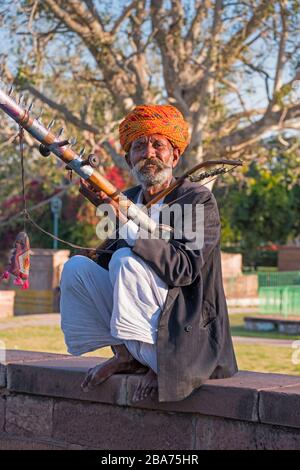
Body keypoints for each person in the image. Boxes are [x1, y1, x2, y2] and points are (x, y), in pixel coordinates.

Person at [60, 104, 238, 403]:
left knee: (125, 261)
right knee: (76, 268)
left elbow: (183, 268)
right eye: (139, 146)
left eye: (159, 145)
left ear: (175, 156)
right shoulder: (127, 198)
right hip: (148, 301)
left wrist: (125, 223)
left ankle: (161, 362)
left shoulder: (196, 198)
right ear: (128, 157)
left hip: (187, 325)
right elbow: (105, 267)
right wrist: (104, 209)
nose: (149, 153)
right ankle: (126, 355)